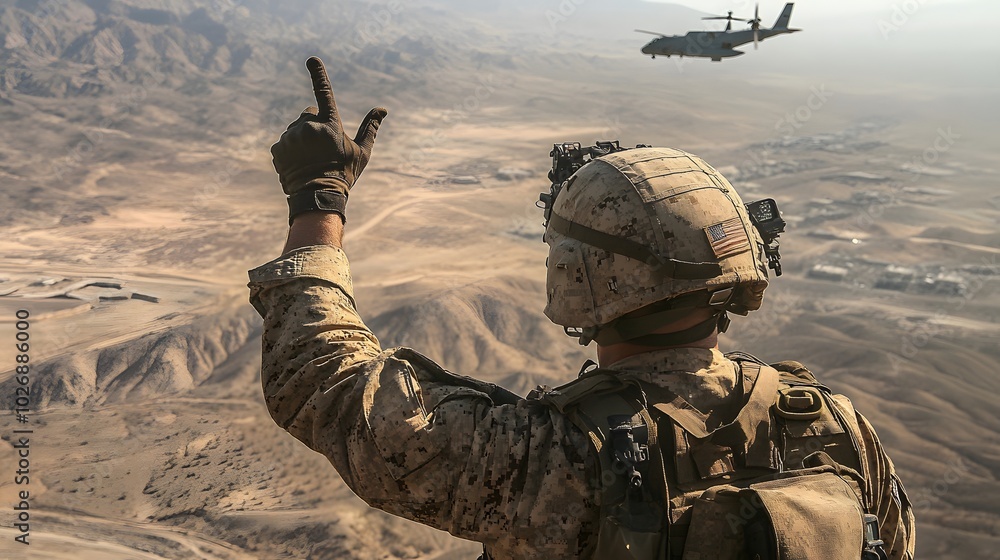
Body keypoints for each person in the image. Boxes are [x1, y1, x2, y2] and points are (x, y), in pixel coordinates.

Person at [248, 57, 915, 560]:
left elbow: (320, 378)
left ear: (577, 278)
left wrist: (319, 198)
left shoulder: (545, 458)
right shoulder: (830, 428)